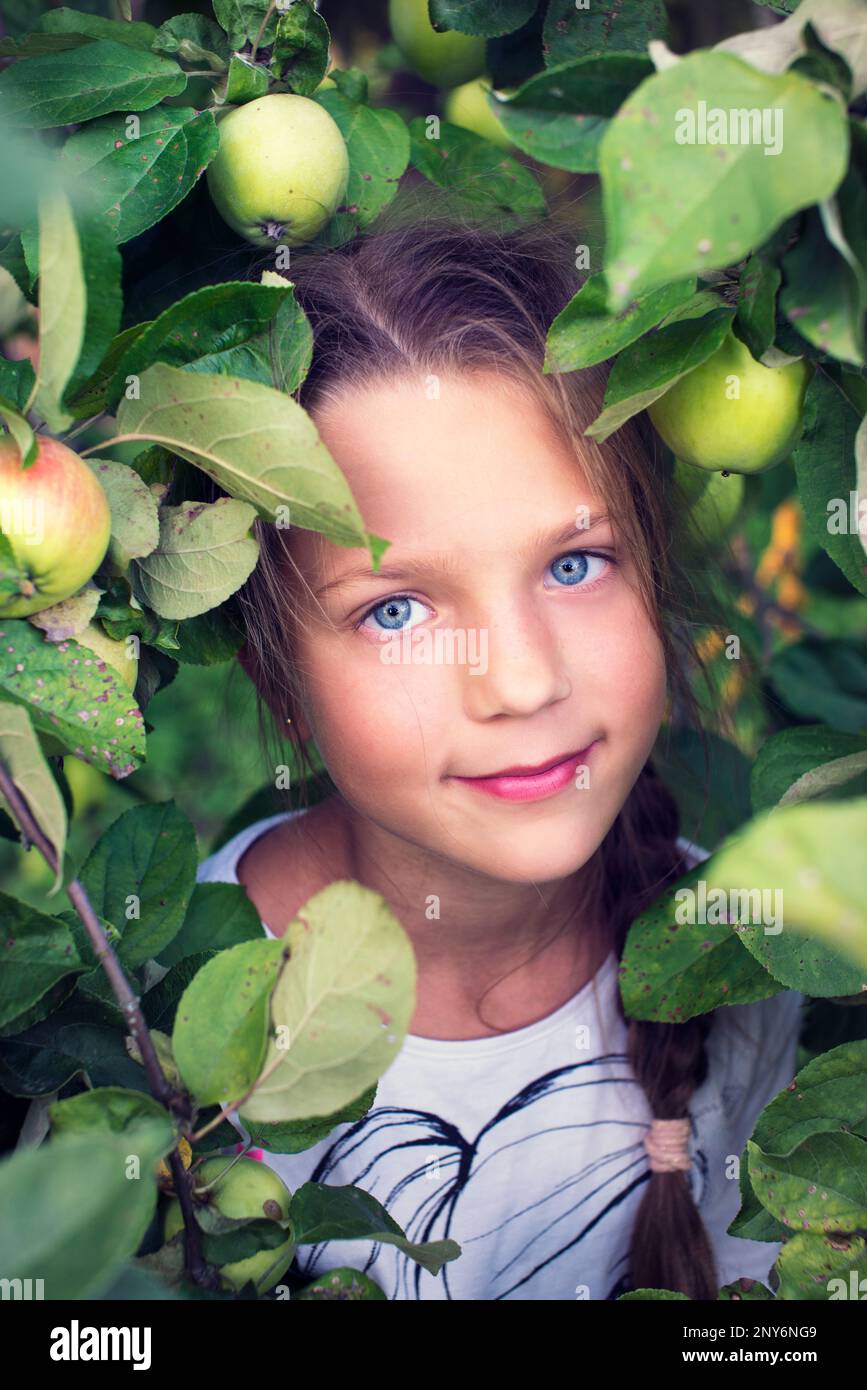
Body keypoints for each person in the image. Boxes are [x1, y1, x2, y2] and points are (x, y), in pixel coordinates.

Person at [195, 213, 804, 1300]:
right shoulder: (171, 1032)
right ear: (279, 684)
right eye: (396, 611)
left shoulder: (742, 965)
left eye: (574, 564)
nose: (521, 682)